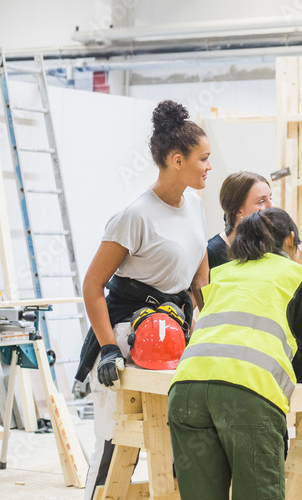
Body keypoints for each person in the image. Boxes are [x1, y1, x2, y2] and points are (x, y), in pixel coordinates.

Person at [75, 100, 211, 499]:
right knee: (119, 437)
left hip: (174, 328)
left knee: (172, 429)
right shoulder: (134, 215)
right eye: (203, 159)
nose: (208, 166)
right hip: (126, 330)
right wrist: (106, 350)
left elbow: (200, 281)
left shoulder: (197, 206)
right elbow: (93, 286)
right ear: (176, 159)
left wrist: (215, 327)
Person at [168, 208, 302, 500]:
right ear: (290, 240)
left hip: (186, 390)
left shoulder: (221, 273)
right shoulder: (299, 276)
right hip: (248, 396)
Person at [207, 171, 273, 270]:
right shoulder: (211, 253)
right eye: (262, 201)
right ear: (237, 211)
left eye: (270, 198)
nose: (271, 206)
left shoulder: (270, 245)